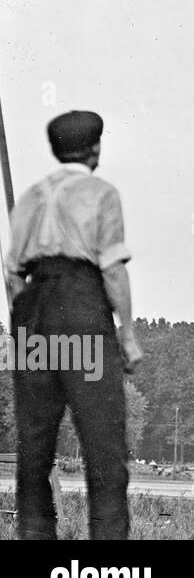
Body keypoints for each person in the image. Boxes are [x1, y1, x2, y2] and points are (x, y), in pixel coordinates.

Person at [4, 110, 143, 539]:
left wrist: (25, 323)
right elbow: (113, 269)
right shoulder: (102, 193)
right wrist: (127, 333)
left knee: (35, 446)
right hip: (82, 308)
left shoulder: (29, 197)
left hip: (33, 309)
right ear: (95, 148)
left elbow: (11, 274)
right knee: (103, 446)